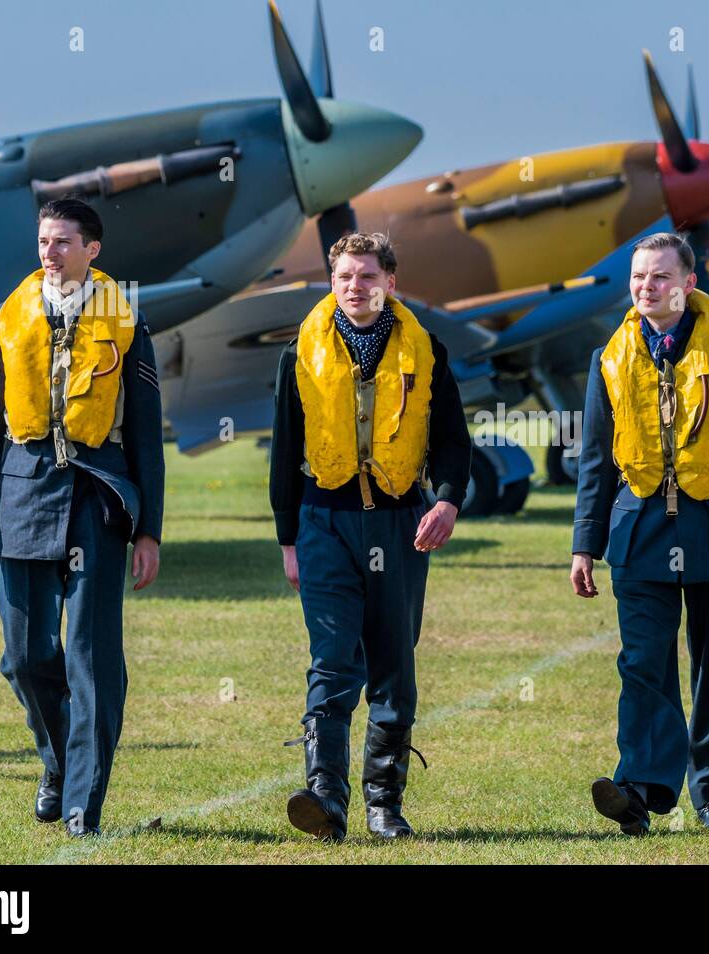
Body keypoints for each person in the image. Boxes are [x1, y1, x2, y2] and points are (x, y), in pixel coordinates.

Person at [0, 197, 164, 837]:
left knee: (91, 658)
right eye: (44, 240)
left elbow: (148, 435)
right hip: (22, 495)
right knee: (22, 656)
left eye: (64, 241)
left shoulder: (125, 319)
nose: (50, 251)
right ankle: (58, 762)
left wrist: (150, 528)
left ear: (93, 250)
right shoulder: (10, 314)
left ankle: (81, 807)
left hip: (98, 496)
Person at [570, 232, 709, 835]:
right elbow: (595, 459)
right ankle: (640, 788)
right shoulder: (607, 360)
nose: (648, 287)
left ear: (688, 284)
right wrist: (584, 543)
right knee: (642, 664)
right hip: (637, 531)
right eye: (640, 277)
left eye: (661, 277)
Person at [269, 232, 471, 842]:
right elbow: (284, 453)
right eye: (344, 277)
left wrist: (447, 501)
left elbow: (453, 440)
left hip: (400, 523)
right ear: (331, 282)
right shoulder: (298, 353)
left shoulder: (426, 349)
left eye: (367, 277)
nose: (355, 287)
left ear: (390, 282)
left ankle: (385, 803)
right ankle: (326, 797)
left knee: (392, 660)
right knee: (331, 660)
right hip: (323, 522)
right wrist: (288, 539)